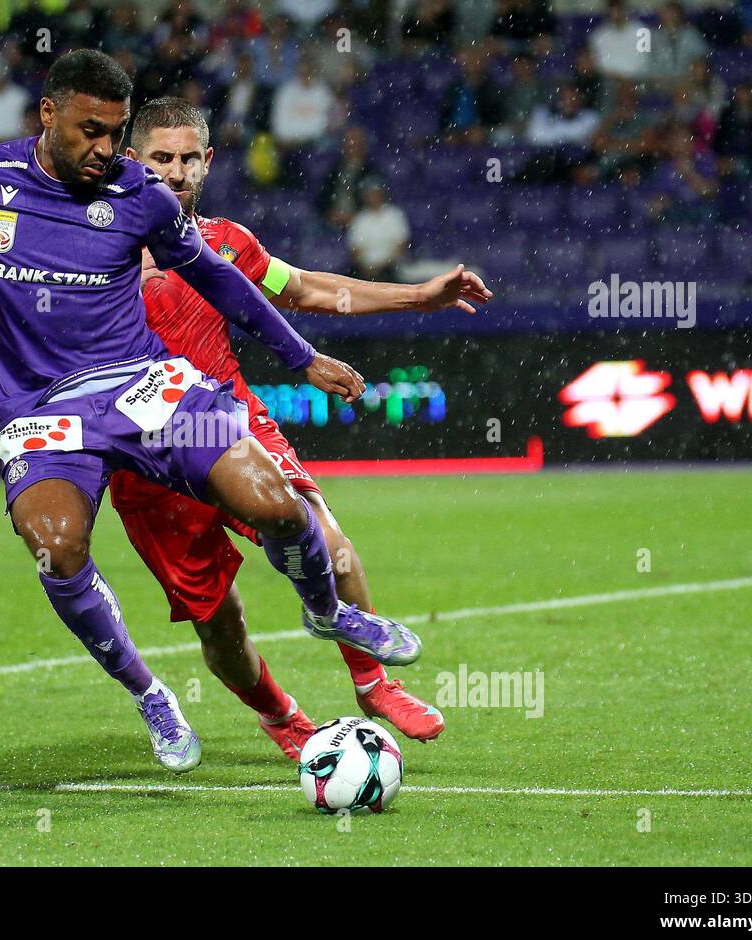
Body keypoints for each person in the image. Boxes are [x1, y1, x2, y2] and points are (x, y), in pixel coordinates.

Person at [0, 50, 420, 775]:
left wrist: (300, 357)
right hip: (43, 409)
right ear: (48, 114)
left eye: (116, 134)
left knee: (277, 504)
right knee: (57, 548)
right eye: (91, 131)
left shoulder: (139, 192)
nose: (105, 149)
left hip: (145, 385)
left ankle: (326, 611)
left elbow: (218, 278)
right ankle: (150, 693)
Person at [119, 97, 491, 758]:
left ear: (208, 161)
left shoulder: (227, 242)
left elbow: (305, 290)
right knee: (219, 623)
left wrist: (415, 296)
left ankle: (374, 684)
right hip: (144, 458)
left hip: (228, 423)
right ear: (131, 160)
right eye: (160, 159)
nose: (175, 172)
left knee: (328, 541)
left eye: (188, 159)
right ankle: (283, 717)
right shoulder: (94, 250)